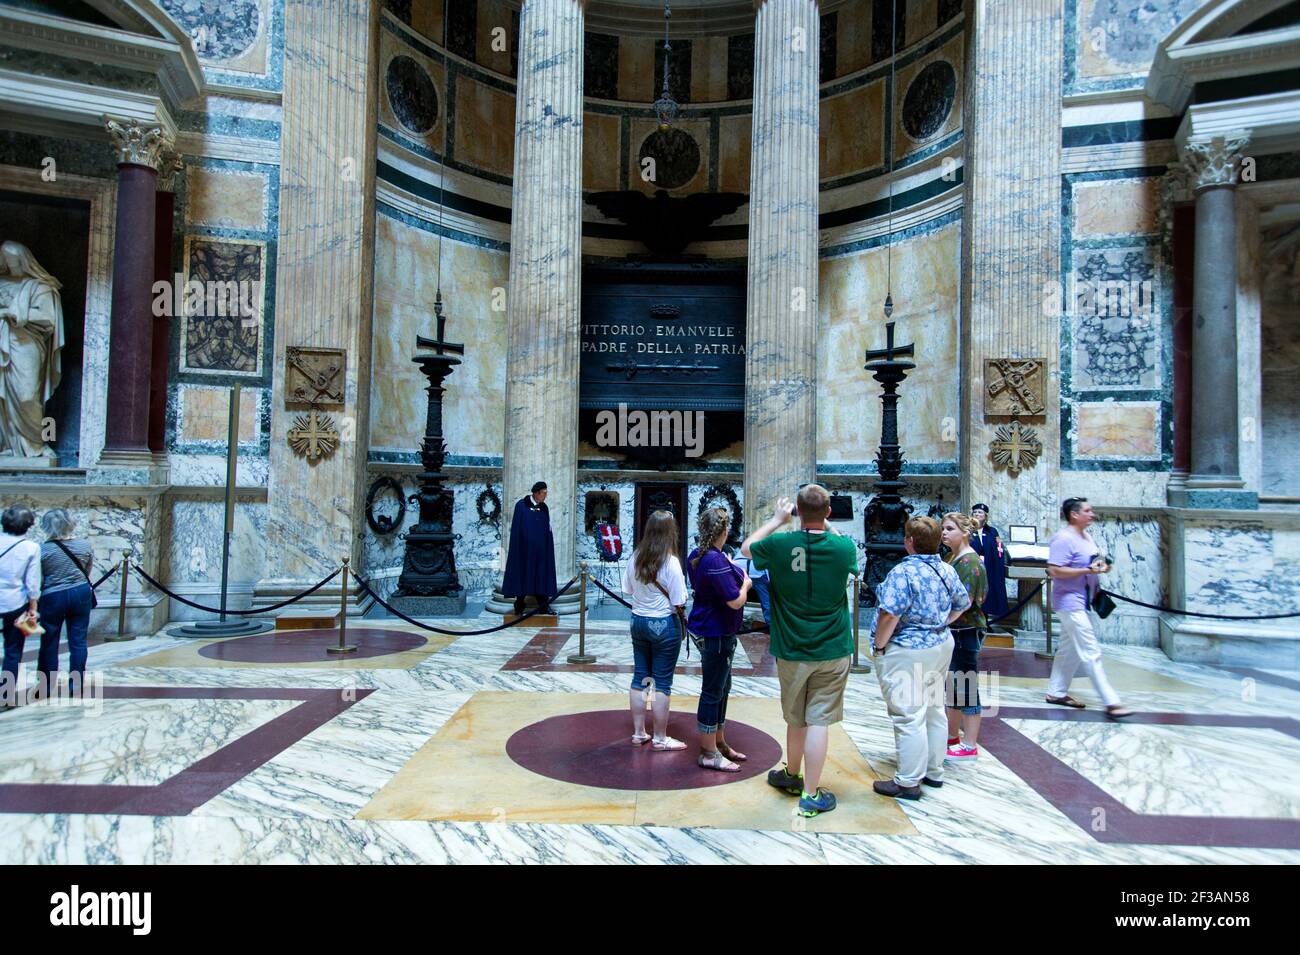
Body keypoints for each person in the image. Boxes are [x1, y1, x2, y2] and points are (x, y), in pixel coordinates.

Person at [742, 485, 857, 818]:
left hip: (791, 647)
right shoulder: (842, 547)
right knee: (818, 719)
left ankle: (793, 775)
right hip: (833, 646)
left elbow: (747, 547)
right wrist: (827, 522)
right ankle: (810, 793)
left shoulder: (780, 543)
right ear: (829, 512)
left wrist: (778, 520)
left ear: (797, 512)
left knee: (796, 716)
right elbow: (846, 549)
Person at [870, 516, 969, 799]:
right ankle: (933, 771)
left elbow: (890, 613)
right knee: (933, 708)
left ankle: (908, 781)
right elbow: (964, 603)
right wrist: (939, 623)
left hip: (908, 650)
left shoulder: (904, 573)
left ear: (909, 542)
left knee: (908, 714)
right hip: (940, 644)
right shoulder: (947, 570)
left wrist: (879, 645)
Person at [1045, 498, 1132, 719]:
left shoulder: (1086, 537)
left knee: (1069, 649)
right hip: (1069, 601)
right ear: (1074, 514)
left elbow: (1094, 563)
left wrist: (1102, 567)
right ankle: (1111, 701)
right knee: (1090, 650)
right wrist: (1087, 570)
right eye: (1087, 510)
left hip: (1084, 600)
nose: (1092, 514)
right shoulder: (1063, 539)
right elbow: (1055, 570)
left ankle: (1056, 692)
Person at [686, 505, 750, 772]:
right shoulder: (713, 560)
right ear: (724, 531)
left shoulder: (699, 555)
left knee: (722, 688)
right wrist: (745, 582)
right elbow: (735, 601)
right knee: (713, 691)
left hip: (716, 629)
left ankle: (719, 741)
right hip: (715, 631)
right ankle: (708, 751)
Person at [621, 509, 687, 751]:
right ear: (671, 533)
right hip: (663, 624)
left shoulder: (635, 557)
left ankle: (639, 733)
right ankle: (660, 737)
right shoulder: (671, 562)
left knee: (640, 677)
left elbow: (627, 590)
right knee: (662, 683)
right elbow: (679, 599)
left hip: (638, 621)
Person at [941, 512, 987, 763]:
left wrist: (941, 621)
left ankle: (969, 744)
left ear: (964, 532)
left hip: (965, 630)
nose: (944, 533)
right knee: (954, 687)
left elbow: (965, 603)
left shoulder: (970, 563)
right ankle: (951, 736)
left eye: (950, 528)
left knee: (967, 686)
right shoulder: (952, 557)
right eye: (943, 529)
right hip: (956, 630)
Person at [37, 508, 94, 698]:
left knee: (49, 641)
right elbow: (87, 570)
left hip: (53, 595)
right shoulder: (84, 546)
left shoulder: (43, 550)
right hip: (80, 592)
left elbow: (39, 579)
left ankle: (46, 685)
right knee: (78, 641)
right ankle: (76, 685)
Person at [0, 505, 41, 707]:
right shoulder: (31, 547)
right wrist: (33, 607)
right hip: (15, 603)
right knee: (13, 650)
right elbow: (32, 583)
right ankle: (5, 696)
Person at [502, 481, 557, 615]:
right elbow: (516, 530)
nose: (545, 496)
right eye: (544, 493)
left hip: (541, 552)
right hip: (524, 551)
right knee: (523, 575)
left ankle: (543, 606)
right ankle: (519, 604)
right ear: (537, 493)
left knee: (541, 576)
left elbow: (548, 529)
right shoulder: (521, 506)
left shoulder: (544, 508)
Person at [969, 504, 1009, 622]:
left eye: (980, 512)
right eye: (975, 512)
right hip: (973, 566)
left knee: (988, 593)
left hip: (989, 567)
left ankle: (985, 620)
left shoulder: (992, 531)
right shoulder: (968, 530)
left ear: (985, 516)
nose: (977, 514)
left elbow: (999, 548)